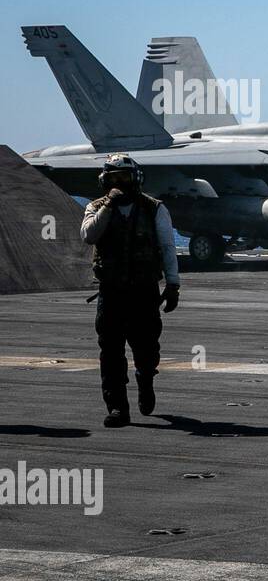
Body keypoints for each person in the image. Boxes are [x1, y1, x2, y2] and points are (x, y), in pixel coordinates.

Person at [79, 154, 180, 427]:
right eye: (114, 178)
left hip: (144, 292)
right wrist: (109, 206)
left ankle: (145, 380)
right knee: (110, 351)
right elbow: (89, 235)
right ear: (105, 181)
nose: (121, 184)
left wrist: (173, 284)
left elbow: (168, 247)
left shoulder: (154, 209)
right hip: (111, 293)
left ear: (136, 179)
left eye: (125, 177)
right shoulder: (96, 208)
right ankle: (117, 408)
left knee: (147, 349)